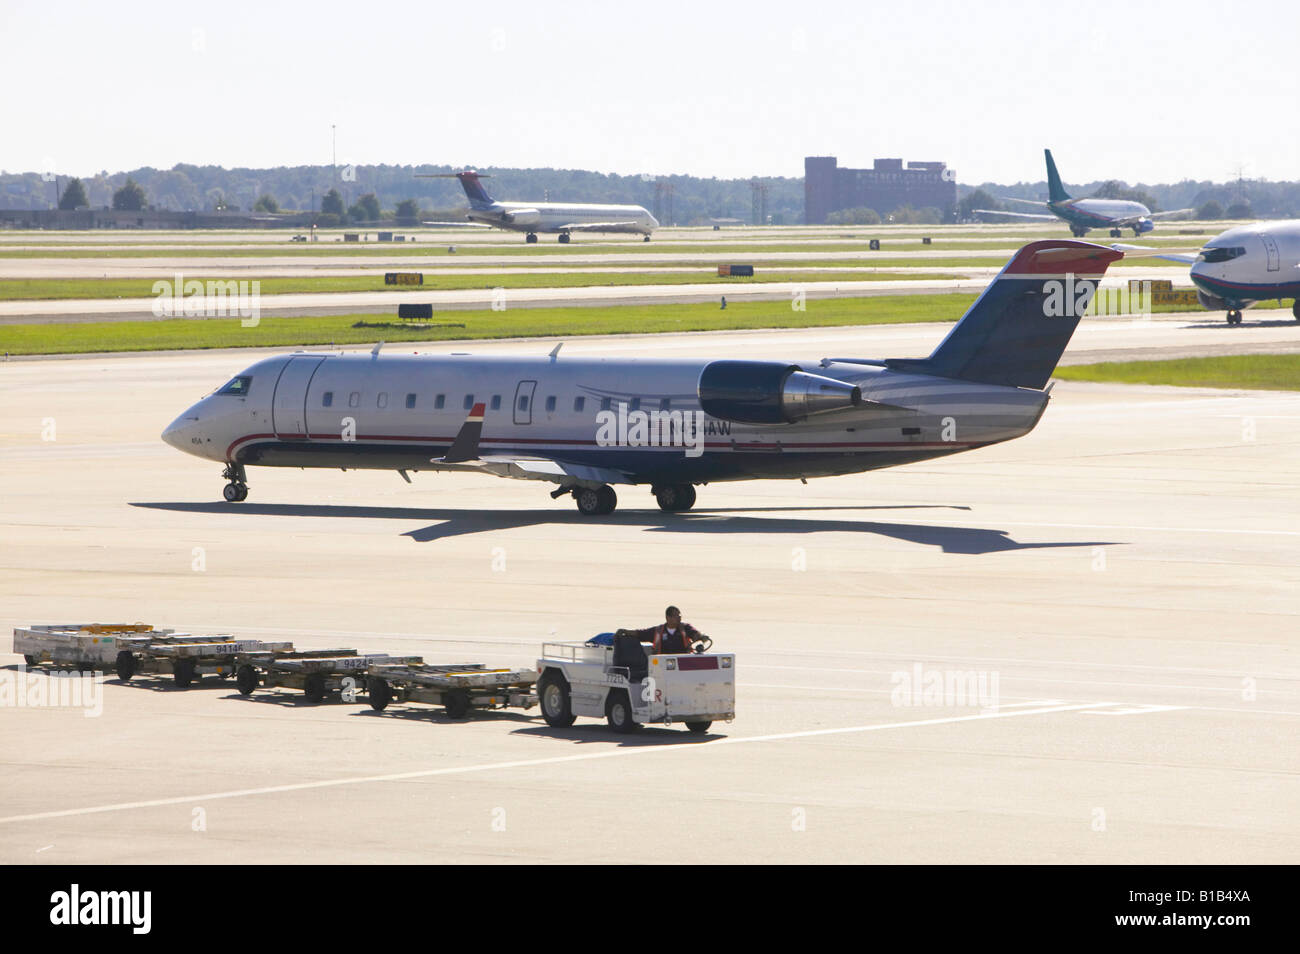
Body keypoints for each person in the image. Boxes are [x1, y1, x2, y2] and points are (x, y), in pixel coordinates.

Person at [619, 606, 707, 655]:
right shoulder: (657, 631)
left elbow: (695, 634)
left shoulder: (685, 628)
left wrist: (701, 637)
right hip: (663, 665)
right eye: (676, 616)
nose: (679, 618)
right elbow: (640, 633)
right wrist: (625, 632)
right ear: (668, 618)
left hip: (683, 664)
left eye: (680, 616)